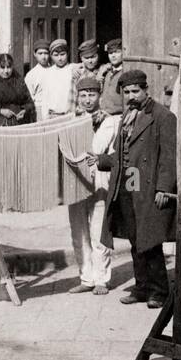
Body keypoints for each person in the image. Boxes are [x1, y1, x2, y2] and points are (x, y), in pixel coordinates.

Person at [96, 69, 176, 308]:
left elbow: (169, 157)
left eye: (135, 91)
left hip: (150, 186)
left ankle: (159, 292)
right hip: (129, 184)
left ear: (145, 90)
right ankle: (141, 288)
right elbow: (122, 153)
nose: (131, 96)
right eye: (127, 92)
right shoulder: (127, 116)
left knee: (150, 240)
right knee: (135, 239)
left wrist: (163, 188)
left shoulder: (163, 116)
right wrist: (100, 160)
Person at [65, 76, 117, 296]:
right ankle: (86, 277)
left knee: (98, 230)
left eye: (91, 95)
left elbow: (94, 148)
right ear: (77, 97)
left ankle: (101, 279)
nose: (87, 100)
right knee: (79, 232)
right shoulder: (71, 119)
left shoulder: (108, 121)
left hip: (99, 181)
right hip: (75, 179)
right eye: (83, 95)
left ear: (99, 96)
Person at [0, 53, 35, 126]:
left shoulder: (19, 82)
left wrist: (24, 110)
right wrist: (0, 111)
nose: (6, 71)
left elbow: (30, 103)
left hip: (18, 123)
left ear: (12, 67)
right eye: (2, 67)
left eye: (9, 67)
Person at [39, 38, 76, 118]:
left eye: (62, 54)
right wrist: (44, 117)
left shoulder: (72, 69)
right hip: (52, 115)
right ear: (51, 56)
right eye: (56, 55)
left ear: (68, 53)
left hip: (69, 115)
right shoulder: (48, 73)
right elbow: (45, 97)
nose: (60, 58)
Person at [24, 38, 52, 119]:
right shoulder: (31, 75)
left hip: (54, 109)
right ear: (34, 54)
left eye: (46, 53)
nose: (43, 57)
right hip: (39, 110)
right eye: (40, 53)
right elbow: (29, 98)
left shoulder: (54, 70)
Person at [98, 38, 127, 115]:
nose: (113, 56)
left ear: (123, 53)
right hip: (104, 114)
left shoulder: (125, 73)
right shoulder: (106, 73)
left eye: (117, 52)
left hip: (119, 114)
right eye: (110, 53)